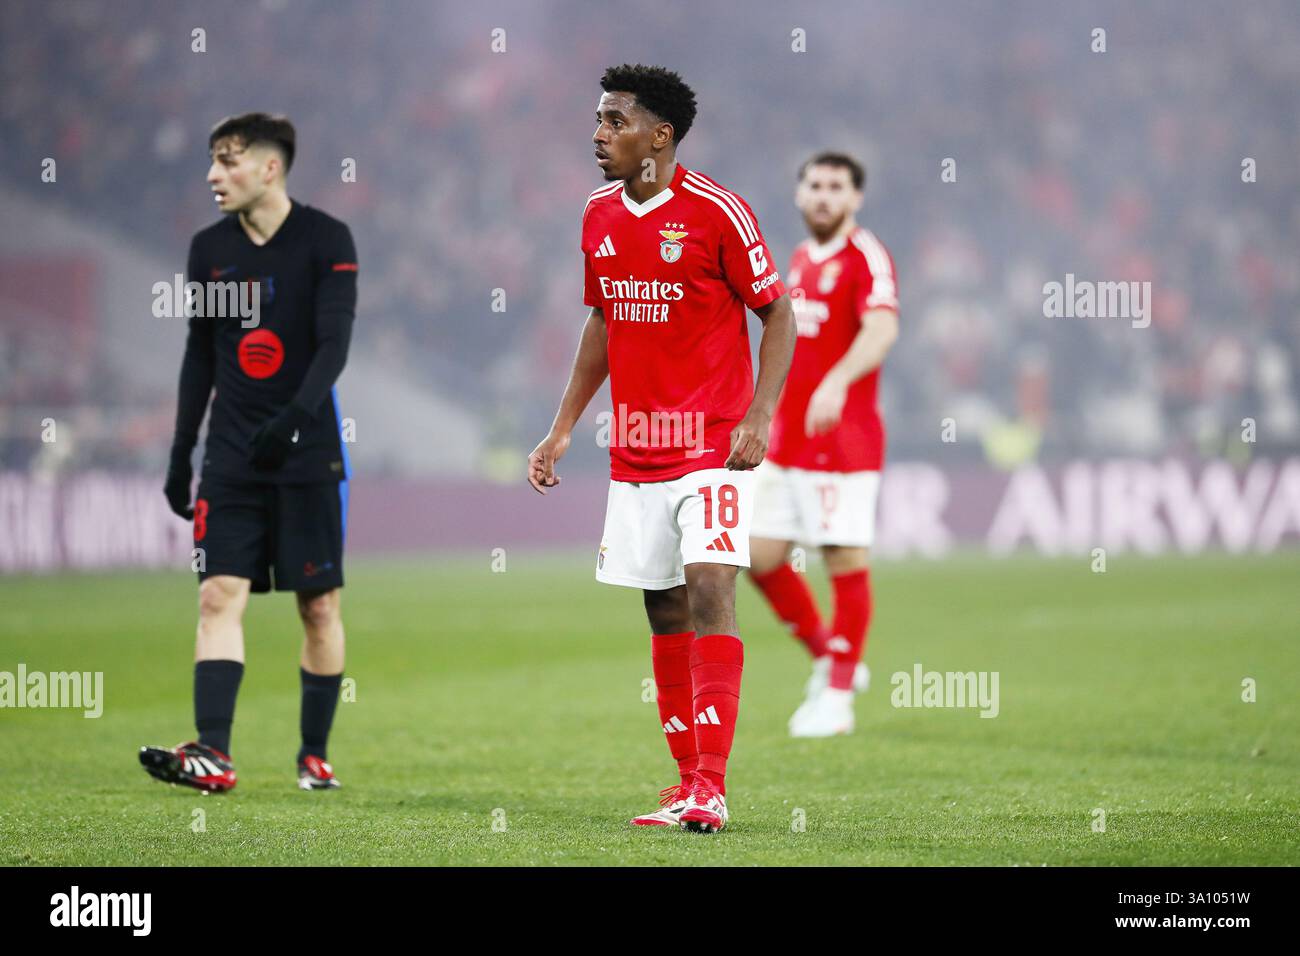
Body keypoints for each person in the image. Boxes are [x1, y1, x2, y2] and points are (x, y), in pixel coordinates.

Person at [528, 65, 795, 833]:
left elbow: (778, 314)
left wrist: (760, 414)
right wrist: (564, 425)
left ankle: (712, 786)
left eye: (615, 121)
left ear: (660, 135)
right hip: (637, 448)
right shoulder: (597, 213)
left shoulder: (719, 211)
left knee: (711, 586)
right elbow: (603, 321)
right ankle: (685, 783)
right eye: (599, 120)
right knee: (664, 606)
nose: (599, 134)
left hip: (713, 442)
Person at [141, 112, 358, 792]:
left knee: (317, 606)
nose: (213, 175)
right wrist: (182, 452)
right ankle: (214, 753)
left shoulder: (326, 240)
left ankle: (313, 753)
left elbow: (332, 345)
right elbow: (200, 354)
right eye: (211, 161)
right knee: (217, 595)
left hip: (307, 453)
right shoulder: (210, 251)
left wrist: (294, 418)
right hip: (231, 456)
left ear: (270, 167)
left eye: (228, 161)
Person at [749, 152, 899, 737]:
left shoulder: (866, 255)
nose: (823, 196)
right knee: (759, 556)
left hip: (845, 443)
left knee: (843, 561)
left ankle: (837, 699)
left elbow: (883, 325)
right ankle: (829, 654)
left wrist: (839, 378)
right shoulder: (800, 258)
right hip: (788, 442)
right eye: (814, 185)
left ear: (855, 199)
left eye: (836, 187)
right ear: (798, 193)